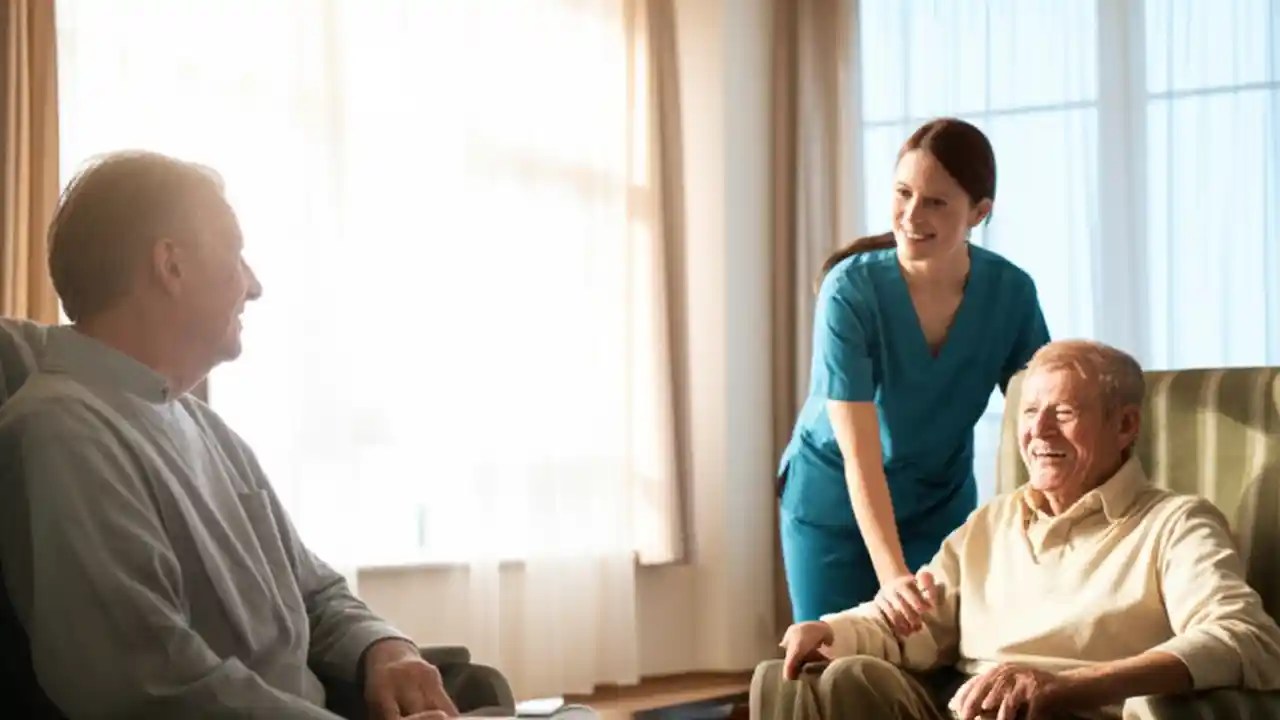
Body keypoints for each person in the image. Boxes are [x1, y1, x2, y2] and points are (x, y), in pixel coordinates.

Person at [0, 151, 460, 719]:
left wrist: (385, 649)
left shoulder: (210, 430)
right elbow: (152, 686)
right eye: (236, 253)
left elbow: (315, 590)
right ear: (171, 265)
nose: (255, 285)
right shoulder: (60, 432)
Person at [755, 340, 1280, 720]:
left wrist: (1068, 687)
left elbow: (1243, 637)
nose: (1039, 431)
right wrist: (832, 630)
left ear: (1125, 426)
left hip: (1077, 710)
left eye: (1064, 412)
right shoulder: (993, 521)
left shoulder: (1177, 524)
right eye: (1030, 412)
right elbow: (912, 621)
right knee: (826, 678)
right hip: (959, 704)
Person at [777, 118, 1050, 627]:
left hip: (938, 504)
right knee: (834, 654)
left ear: (980, 212)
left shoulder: (1011, 294)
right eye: (903, 193)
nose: (911, 215)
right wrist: (892, 577)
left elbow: (1041, 415)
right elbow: (860, 456)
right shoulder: (849, 292)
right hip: (834, 502)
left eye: (936, 202)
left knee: (933, 655)